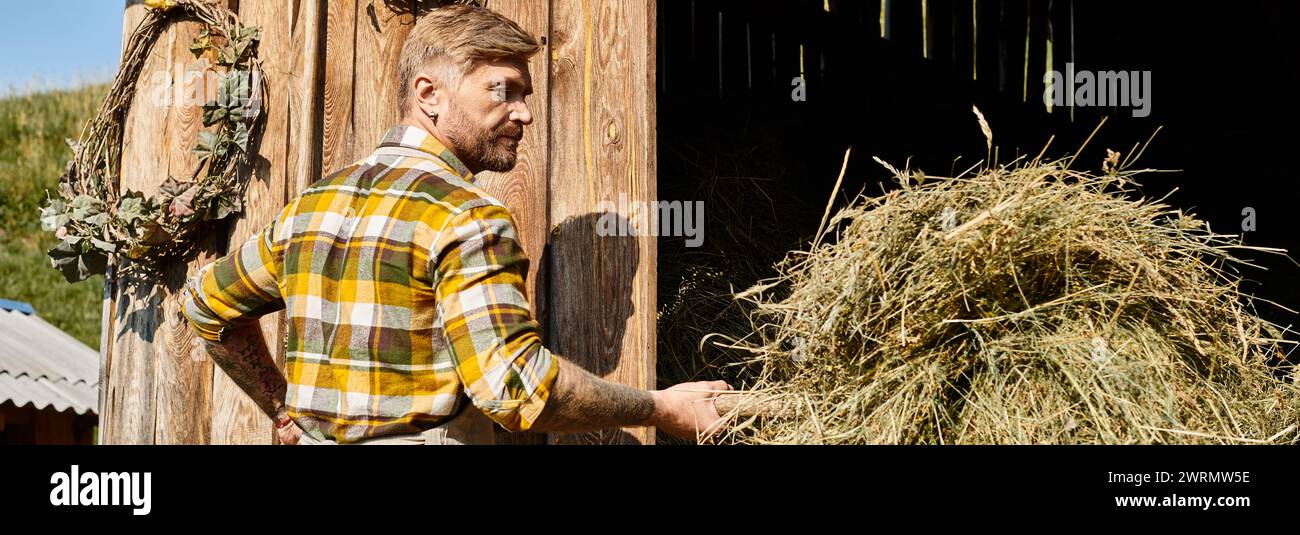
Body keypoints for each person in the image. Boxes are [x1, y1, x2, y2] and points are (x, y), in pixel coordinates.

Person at [181, 4, 731, 445]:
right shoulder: (466, 216)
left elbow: (208, 305)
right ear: (429, 95)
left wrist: (281, 407)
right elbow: (515, 388)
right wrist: (661, 407)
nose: (525, 113)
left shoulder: (310, 206)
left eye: (526, 94)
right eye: (503, 89)